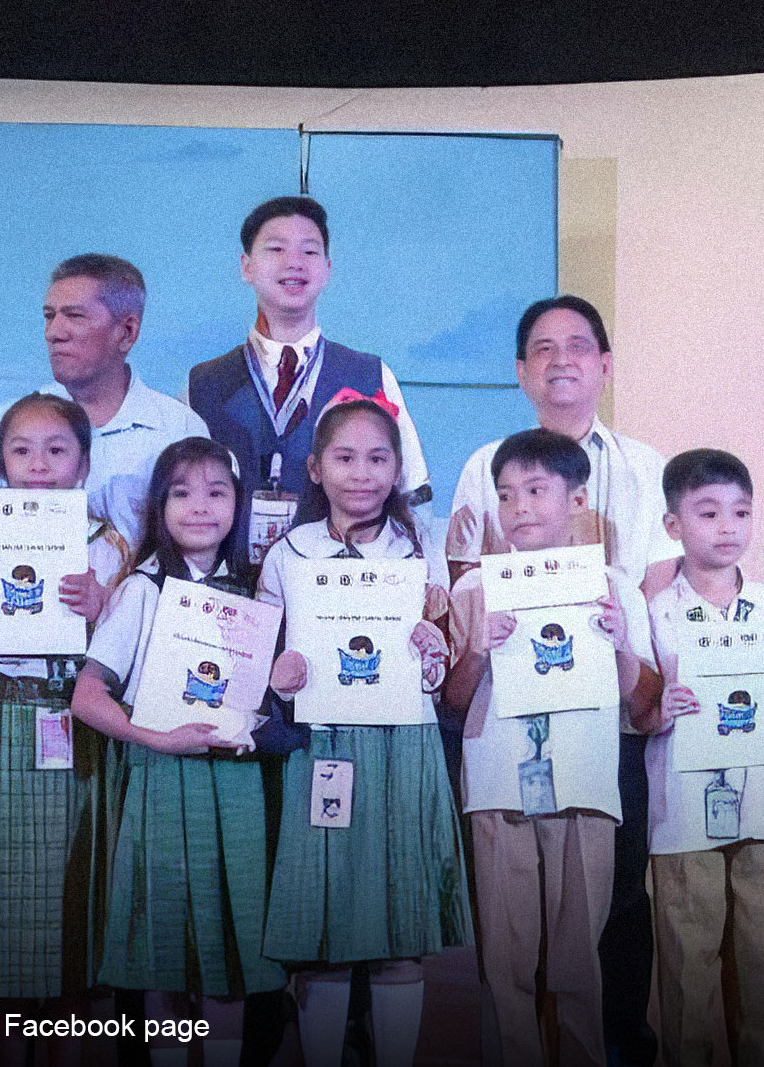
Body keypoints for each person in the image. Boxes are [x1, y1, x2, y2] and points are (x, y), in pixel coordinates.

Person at [447, 294, 679, 1064]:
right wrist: (477, 637)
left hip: (603, 726)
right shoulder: (483, 464)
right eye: (541, 349)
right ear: (520, 371)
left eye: (578, 346)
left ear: (605, 366)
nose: (560, 360)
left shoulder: (645, 466)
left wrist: (640, 678)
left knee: (613, 912)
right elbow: (462, 580)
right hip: (506, 726)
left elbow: (658, 591)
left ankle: (615, 1046)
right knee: (509, 936)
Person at [259, 398, 468, 1067]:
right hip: (323, 747)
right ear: (316, 469)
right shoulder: (289, 553)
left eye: (378, 459)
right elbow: (262, 661)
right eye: (345, 458)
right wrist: (278, 672)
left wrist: (431, 648)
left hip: (403, 747)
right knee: (323, 924)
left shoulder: (419, 552)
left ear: (397, 468)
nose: (362, 473)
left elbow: (440, 667)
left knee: (399, 930)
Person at [70, 437, 283, 1067]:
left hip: (238, 787)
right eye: (182, 493)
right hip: (159, 779)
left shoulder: (255, 594)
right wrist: (156, 737)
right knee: (160, 952)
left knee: (229, 950)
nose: (200, 507)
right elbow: (88, 696)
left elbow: (274, 696)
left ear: (238, 505)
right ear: (159, 506)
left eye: (218, 492)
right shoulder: (140, 589)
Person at [0, 394, 133, 1065]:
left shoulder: (109, 541)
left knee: (73, 892)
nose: (40, 464)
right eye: (22, 450)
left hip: (72, 723)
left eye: (58, 450)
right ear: (1, 462)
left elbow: (131, 651)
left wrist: (102, 605)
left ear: (83, 462)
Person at [631, 449, 764, 1066]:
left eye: (739, 512)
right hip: (683, 800)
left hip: (761, 798)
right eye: (708, 513)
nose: (727, 526)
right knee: (688, 955)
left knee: (760, 958)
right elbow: (639, 713)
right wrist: (662, 709)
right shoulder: (653, 611)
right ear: (674, 524)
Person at [187, 196, 432, 570]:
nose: (294, 263)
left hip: (338, 596)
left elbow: (412, 496)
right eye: (276, 249)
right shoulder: (202, 384)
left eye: (309, 251)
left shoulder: (369, 375)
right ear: (247, 267)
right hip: (228, 598)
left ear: (328, 268)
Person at [0, 254, 211, 551]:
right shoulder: (9, 421)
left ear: (127, 332)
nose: (53, 333)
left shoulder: (178, 429)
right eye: (49, 316)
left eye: (75, 316)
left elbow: (205, 548)